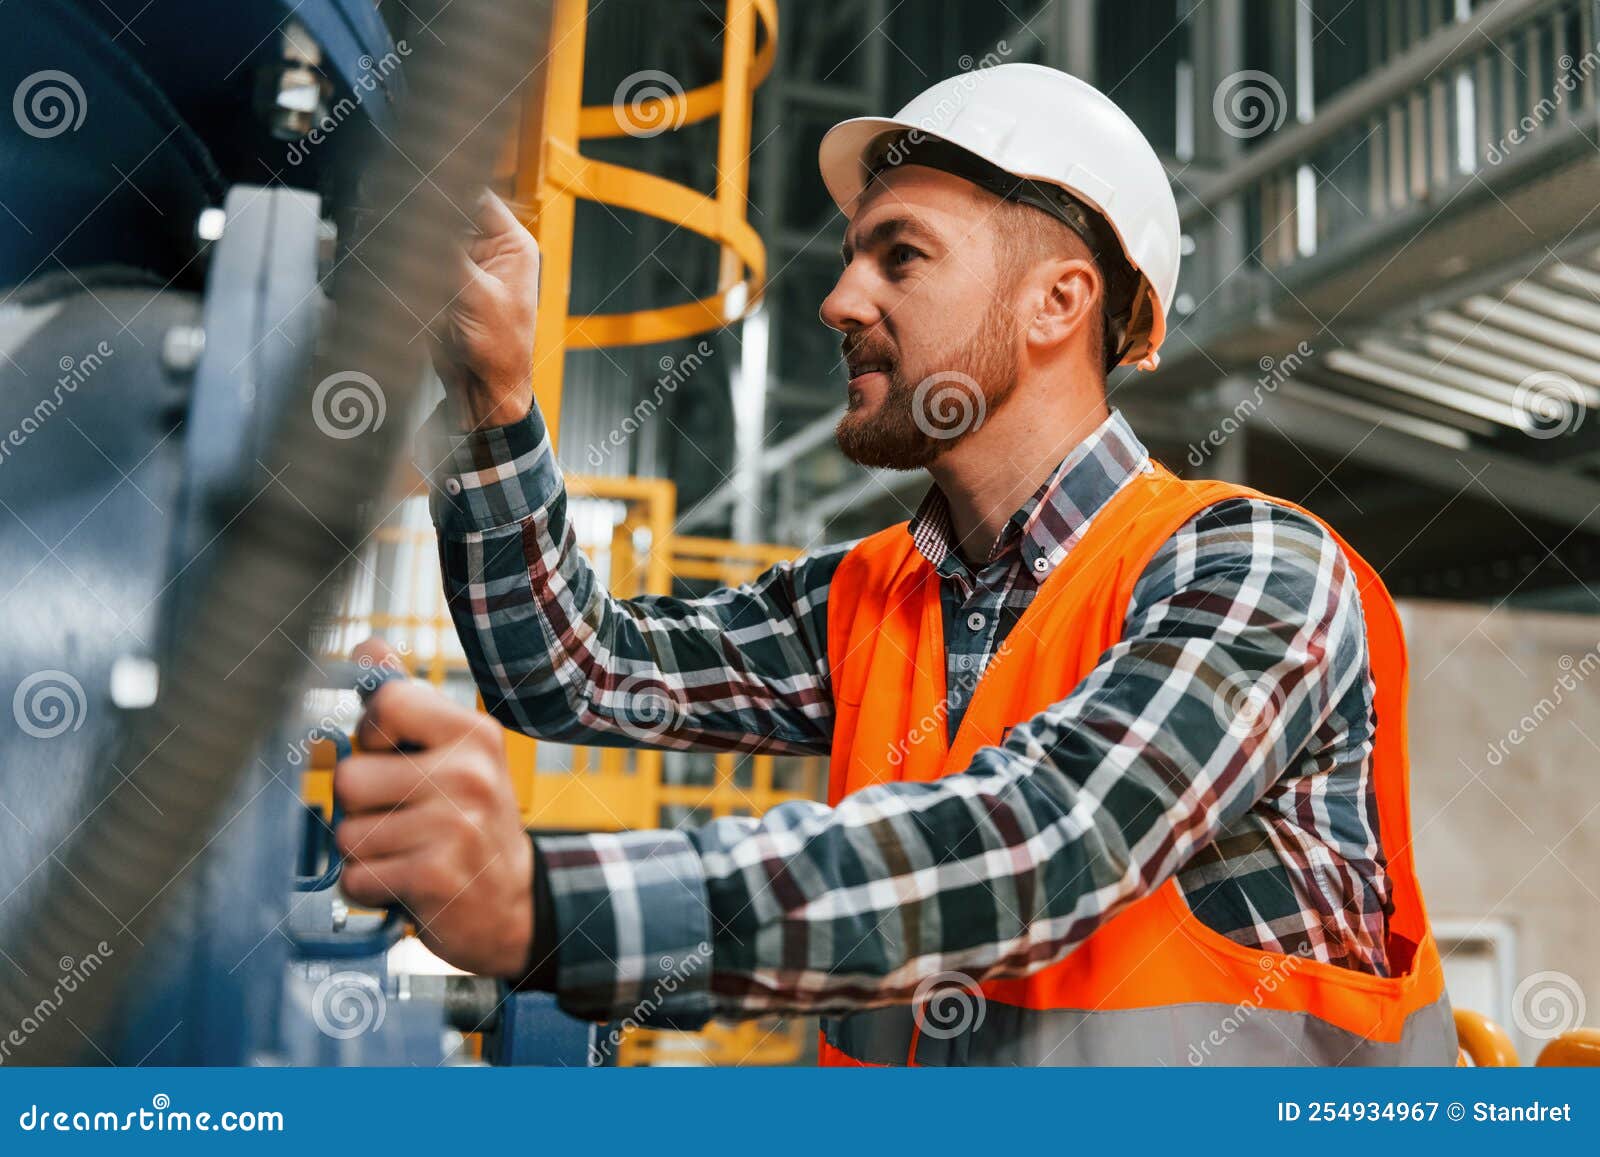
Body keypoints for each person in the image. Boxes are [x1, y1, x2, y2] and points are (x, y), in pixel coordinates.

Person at [334, 63, 1455, 1065]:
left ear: (1057, 301)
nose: (837, 300)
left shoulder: (1252, 566)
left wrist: (542, 902)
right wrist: (493, 403)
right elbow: (575, 670)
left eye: (900, 255)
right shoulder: (872, 593)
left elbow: (1044, 845)